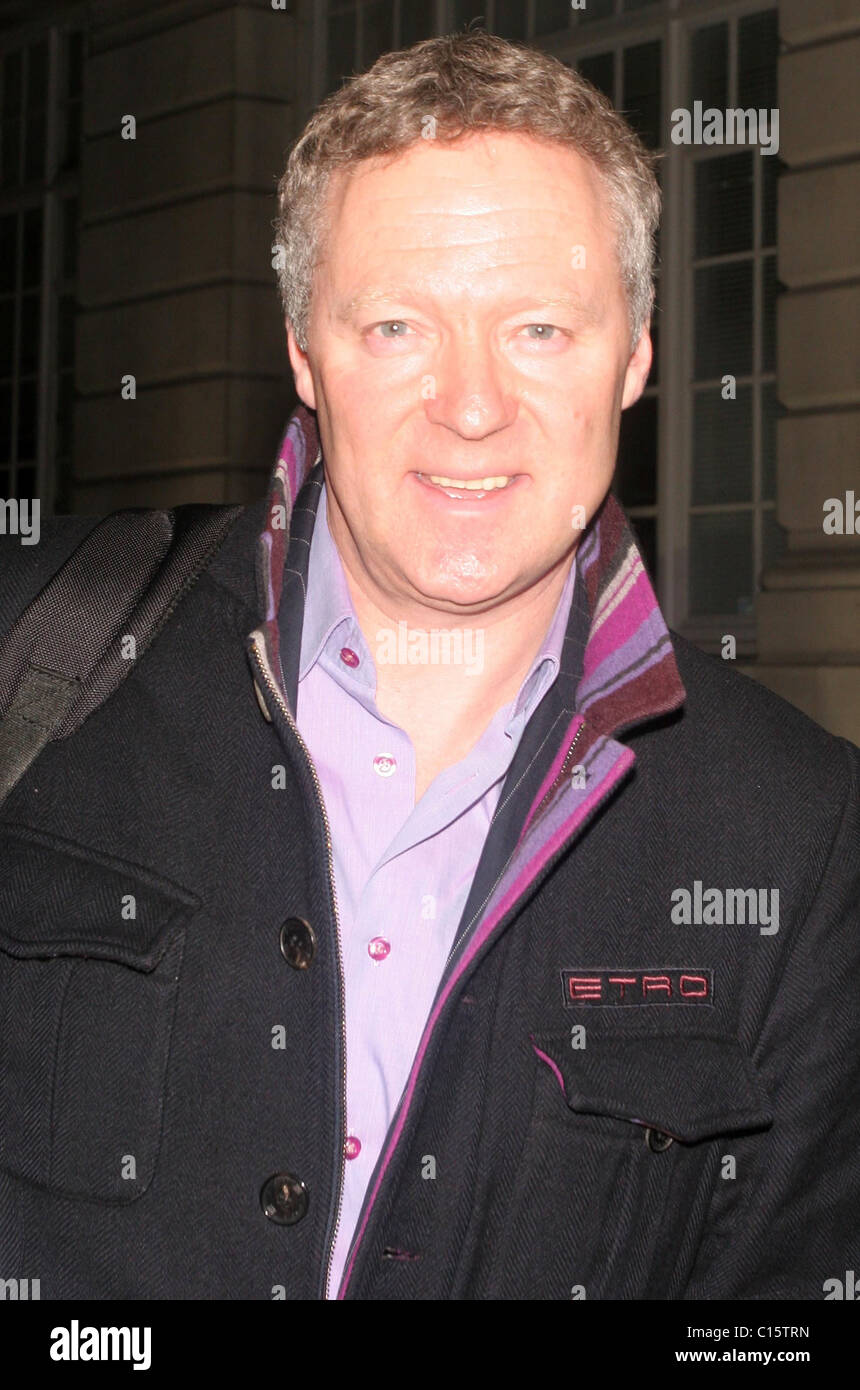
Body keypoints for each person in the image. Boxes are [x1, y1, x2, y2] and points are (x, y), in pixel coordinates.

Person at [0, 30, 857, 1302]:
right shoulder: (42, 646)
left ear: (634, 356)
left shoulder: (803, 833)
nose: (469, 404)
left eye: (539, 330)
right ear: (304, 351)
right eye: (397, 324)